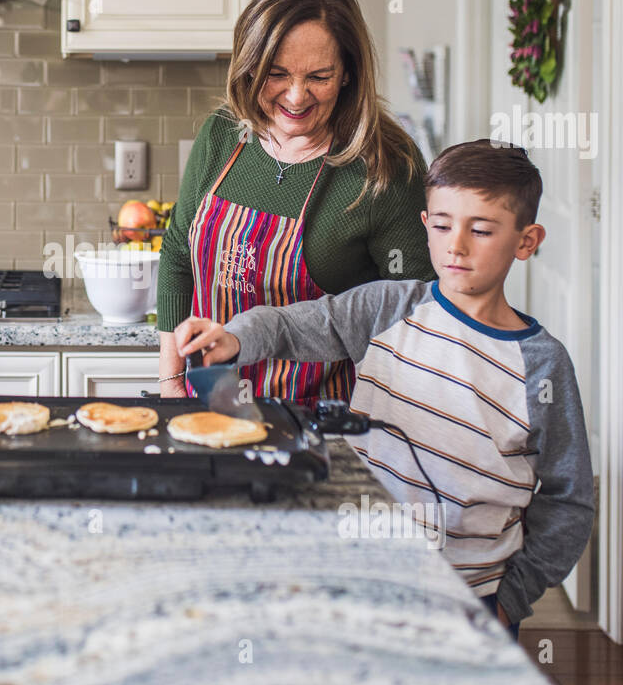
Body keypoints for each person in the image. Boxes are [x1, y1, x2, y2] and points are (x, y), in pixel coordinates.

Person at [174, 141, 595, 636]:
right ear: (425, 227)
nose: (455, 245)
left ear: (527, 241)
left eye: (480, 229)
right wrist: (235, 336)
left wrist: (512, 599)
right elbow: (294, 325)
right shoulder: (388, 308)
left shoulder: (543, 364)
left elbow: (570, 500)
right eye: (441, 226)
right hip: (363, 567)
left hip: (471, 594)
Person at [157, 0, 433, 407]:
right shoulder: (223, 135)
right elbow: (176, 253)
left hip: (322, 426)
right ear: (250, 65)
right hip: (209, 407)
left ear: (347, 73)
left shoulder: (387, 166)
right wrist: (172, 383)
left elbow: (417, 313)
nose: (297, 96)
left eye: (319, 76)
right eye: (277, 73)